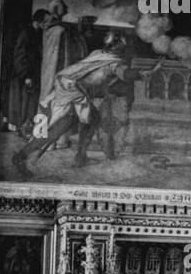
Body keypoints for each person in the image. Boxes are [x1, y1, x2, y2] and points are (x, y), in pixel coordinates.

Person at [13, 30, 150, 176]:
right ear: (117, 47)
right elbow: (127, 74)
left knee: (91, 119)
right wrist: (145, 73)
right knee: (55, 129)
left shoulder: (98, 53)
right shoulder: (114, 63)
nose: (124, 49)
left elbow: (93, 77)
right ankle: (21, 157)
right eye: (122, 46)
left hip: (68, 88)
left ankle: (80, 156)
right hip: (72, 92)